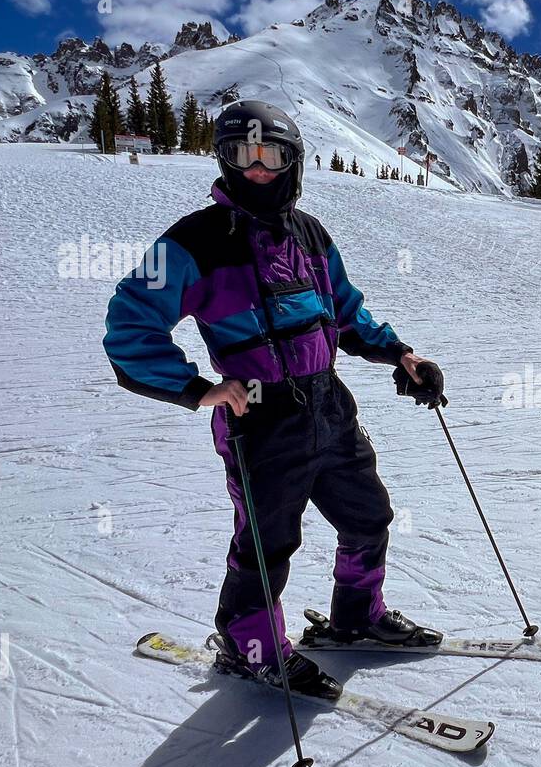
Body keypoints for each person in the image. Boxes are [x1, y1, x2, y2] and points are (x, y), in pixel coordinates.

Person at [103, 100, 447, 700]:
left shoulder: (310, 234)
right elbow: (130, 328)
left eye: (271, 155)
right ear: (225, 159)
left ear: (293, 161)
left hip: (327, 407)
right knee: (266, 545)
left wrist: (402, 355)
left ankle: (356, 616)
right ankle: (250, 647)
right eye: (244, 155)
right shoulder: (195, 241)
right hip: (257, 419)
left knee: (369, 516)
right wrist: (199, 388)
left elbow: (345, 313)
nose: (258, 169)